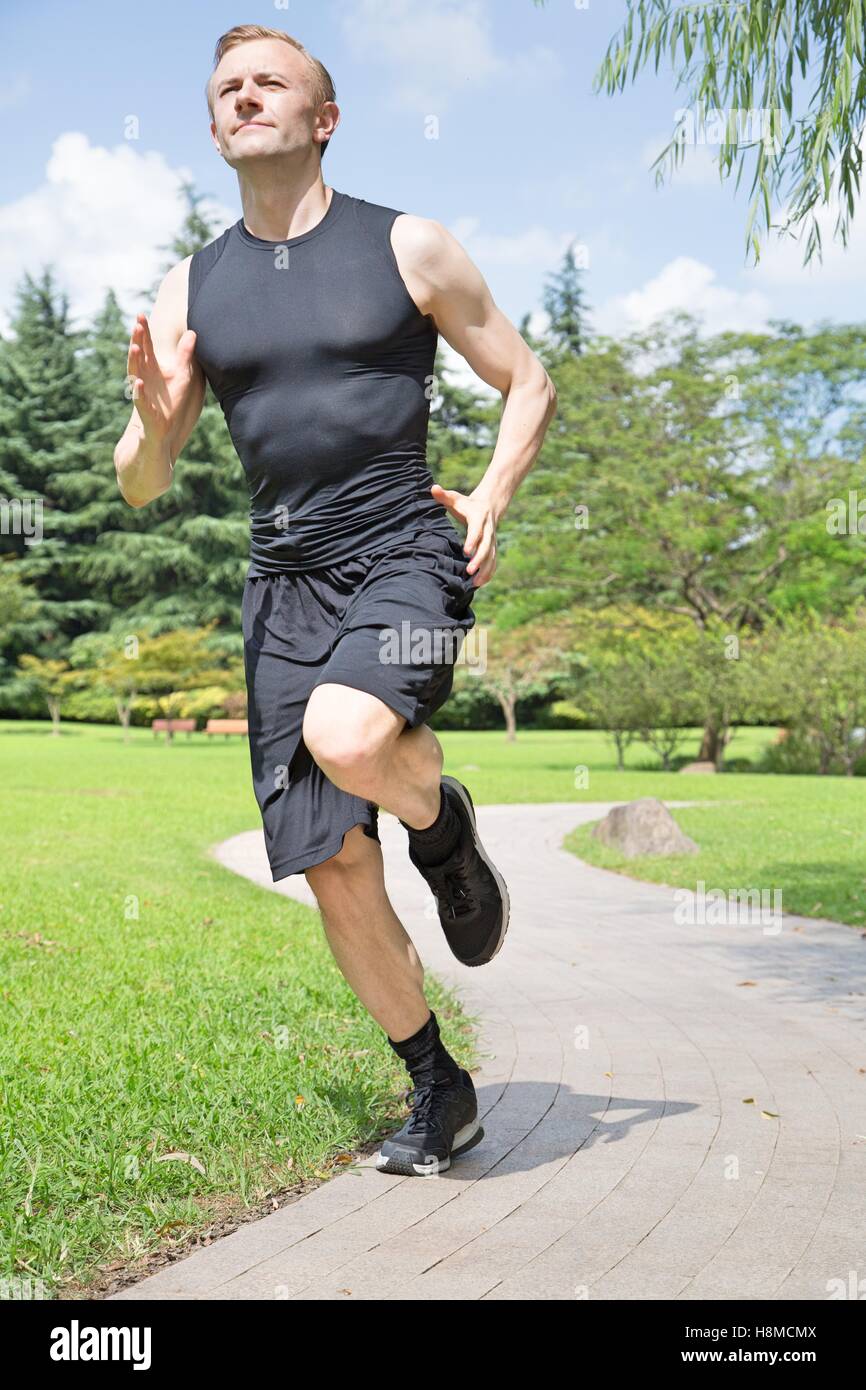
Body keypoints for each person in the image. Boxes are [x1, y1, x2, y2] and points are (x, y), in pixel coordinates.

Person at [113, 24, 557, 1177]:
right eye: (225, 87)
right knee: (332, 867)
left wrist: (493, 495)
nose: (243, 94)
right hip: (283, 586)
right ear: (215, 128)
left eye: (271, 80)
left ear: (324, 119)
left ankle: (439, 820)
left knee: (348, 733)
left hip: (404, 549)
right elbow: (142, 481)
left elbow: (527, 377)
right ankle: (437, 1087)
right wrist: (158, 426)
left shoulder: (406, 244)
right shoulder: (191, 285)